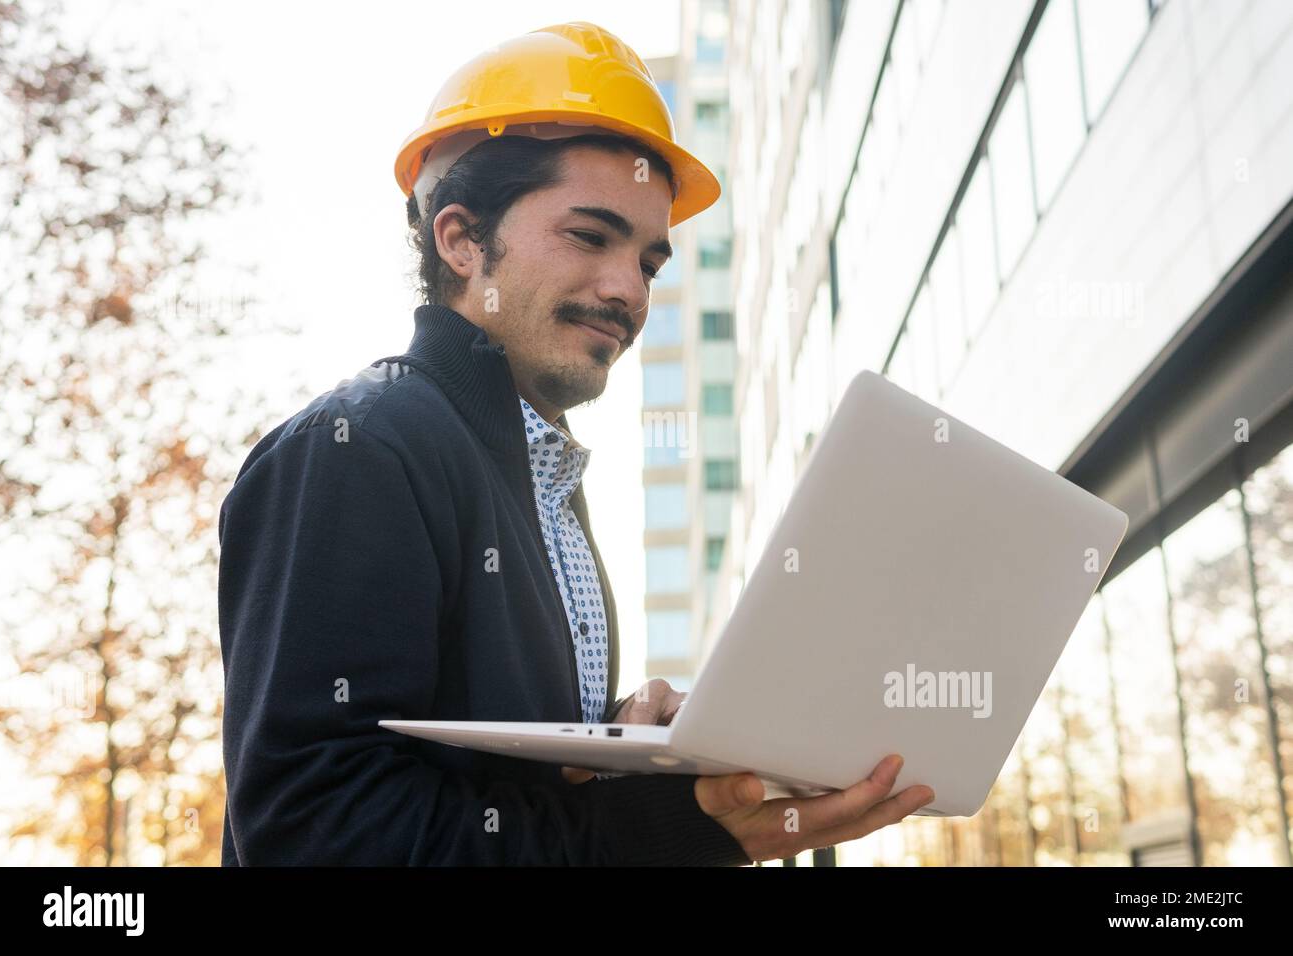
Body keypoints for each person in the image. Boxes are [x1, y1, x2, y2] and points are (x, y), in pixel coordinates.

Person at [218, 20, 934, 866]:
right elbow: (313, 837)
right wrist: (671, 829)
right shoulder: (358, 449)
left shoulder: (541, 480)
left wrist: (633, 752)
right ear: (461, 240)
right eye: (590, 237)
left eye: (651, 263)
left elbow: (503, 788)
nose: (628, 290)